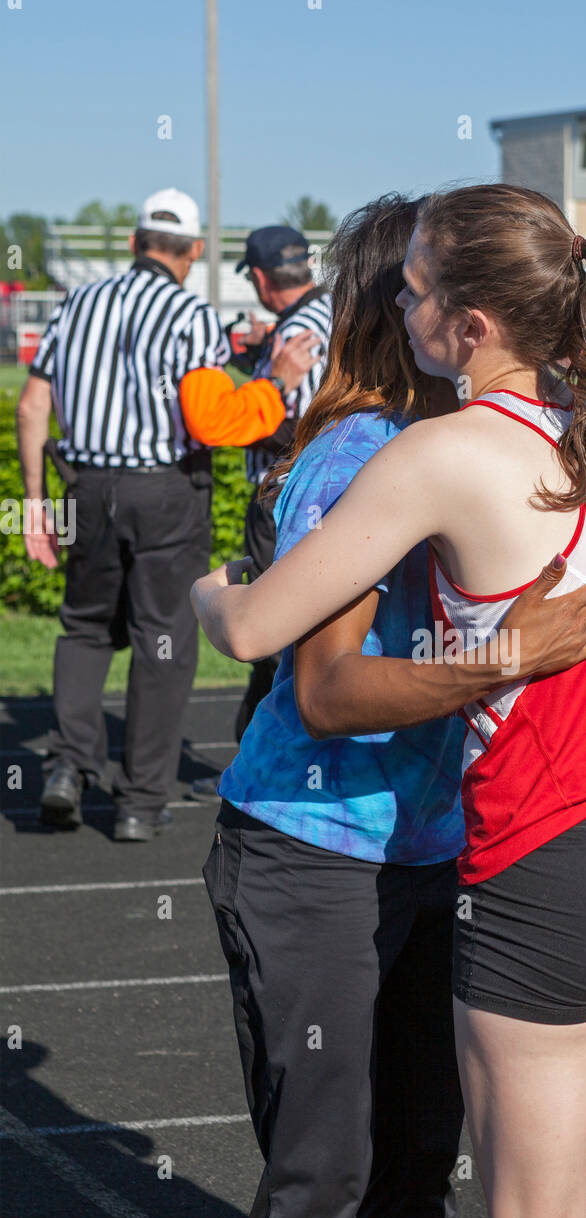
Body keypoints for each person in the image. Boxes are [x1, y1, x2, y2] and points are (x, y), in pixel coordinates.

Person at [191, 183, 586, 1218]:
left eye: (416, 291)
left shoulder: (437, 451)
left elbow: (263, 634)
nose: (399, 309)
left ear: (470, 323)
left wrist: (208, 592)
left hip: (555, 858)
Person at [17, 188, 316, 840]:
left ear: (133, 242)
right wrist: (277, 386)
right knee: (162, 643)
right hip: (164, 492)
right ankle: (139, 802)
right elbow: (209, 422)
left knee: (83, 629)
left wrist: (34, 506)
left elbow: (32, 406)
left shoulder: (78, 303)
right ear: (194, 252)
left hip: (87, 486)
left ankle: (68, 766)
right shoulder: (189, 312)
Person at [190, 227, 332, 800]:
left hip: (283, 497)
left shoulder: (297, 331)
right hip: (329, 495)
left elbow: (292, 424)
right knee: (305, 628)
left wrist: (262, 387)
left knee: (272, 629)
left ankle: (261, 760)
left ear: (261, 278)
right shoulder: (332, 309)